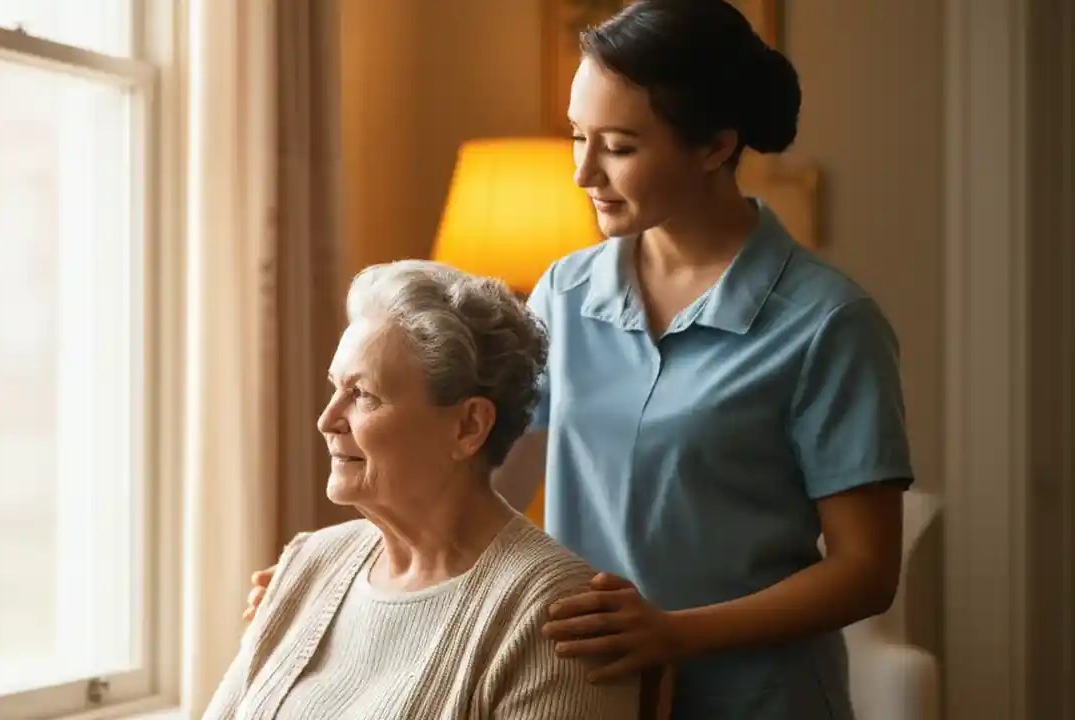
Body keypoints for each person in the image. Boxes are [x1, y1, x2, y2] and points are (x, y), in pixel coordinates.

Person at [252, 1, 911, 717]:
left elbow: (865, 572)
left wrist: (673, 635)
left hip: (755, 701)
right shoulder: (564, 293)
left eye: (620, 147)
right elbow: (479, 491)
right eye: (577, 137)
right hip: (579, 690)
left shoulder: (828, 323)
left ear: (717, 146)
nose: (584, 172)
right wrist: (340, 583)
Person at [206, 261, 642, 719]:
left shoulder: (555, 614)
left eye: (363, 395)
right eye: (335, 388)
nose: (327, 420)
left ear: (468, 426)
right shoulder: (309, 563)